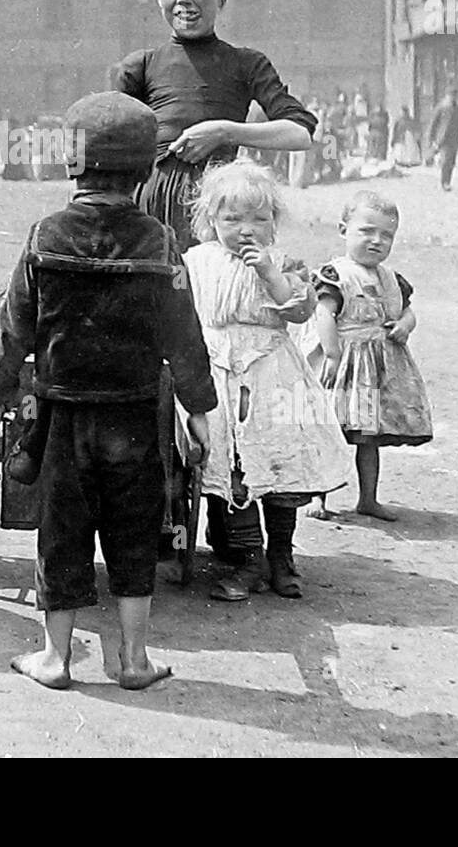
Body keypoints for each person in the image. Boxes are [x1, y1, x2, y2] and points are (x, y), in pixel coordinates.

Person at [0, 92, 216, 690]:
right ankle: (133, 660)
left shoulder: (45, 235)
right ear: (144, 171)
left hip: (62, 418)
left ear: (71, 164)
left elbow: (13, 324)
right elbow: (184, 334)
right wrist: (199, 406)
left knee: (62, 532)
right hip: (135, 416)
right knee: (135, 533)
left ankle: (55, 659)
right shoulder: (160, 243)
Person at [180, 160, 349, 601]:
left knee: (279, 466)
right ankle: (246, 559)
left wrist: (269, 273)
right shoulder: (196, 261)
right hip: (218, 372)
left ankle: (281, 555)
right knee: (230, 467)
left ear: (274, 223)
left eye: (259, 218)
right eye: (232, 219)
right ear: (209, 221)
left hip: (272, 373)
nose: (245, 229)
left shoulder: (284, 264)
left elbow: (298, 311)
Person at [111, 0, 316, 250]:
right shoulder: (140, 67)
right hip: (149, 212)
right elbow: (108, 148)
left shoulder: (246, 63)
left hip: (217, 212)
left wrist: (224, 132)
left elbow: (299, 134)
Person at [311, 191, 432, 522]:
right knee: (331, 429)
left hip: (378, 368)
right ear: (343, 229)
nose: (376, 241)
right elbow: (324, 314)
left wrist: (405, 325)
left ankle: (368, 498)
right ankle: (318, 497)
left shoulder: (392, 279)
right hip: (344, 364)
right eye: (367, 231)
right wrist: (332, 355)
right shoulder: (336, 275)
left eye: (386, 235)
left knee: (369, 437)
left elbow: (409, 312)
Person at [427, 89, 458, 190]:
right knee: (445, 160)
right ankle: (444, 182)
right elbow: (433, 124)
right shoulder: (441, 108)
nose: (452, 98)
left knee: (451, 161)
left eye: (454, 96)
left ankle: (448, 180)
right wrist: (431, 138)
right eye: (450, 96)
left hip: (454, 138)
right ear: (447, 96)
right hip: (443, 138)